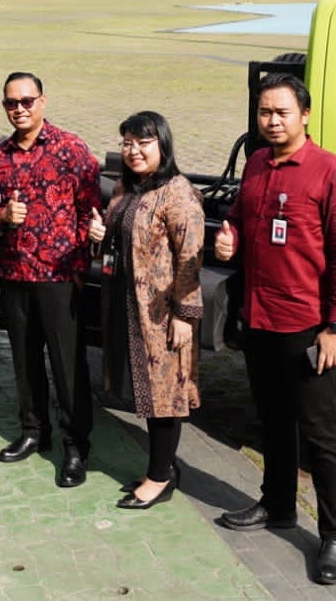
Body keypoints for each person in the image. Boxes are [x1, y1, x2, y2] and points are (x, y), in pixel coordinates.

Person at [213, 73, 336, 587]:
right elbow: (237, 217)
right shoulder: (256, 164)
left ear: (304, 115)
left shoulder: (331, 174)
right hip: (259, 319)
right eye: (264, 113)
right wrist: (229, 238)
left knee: (321, 434)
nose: (272, 121)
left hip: (308, 326)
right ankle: (276, 507)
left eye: (281, 113)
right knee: (272, 420)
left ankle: (335, 536)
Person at [0, 71, 100, 487]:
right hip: (14, 274)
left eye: (27, 101)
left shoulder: (71, 150)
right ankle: (34, 431)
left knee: (67, 366)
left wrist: (82, 268)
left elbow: (89, 212)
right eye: (12, 103)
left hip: (60, 275)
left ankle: (75, 445)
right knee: (25, 361)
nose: (20, 109)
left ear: (43, 101)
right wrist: (1, 216)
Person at [87, 111, 204, 511]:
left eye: (144, 143)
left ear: (163, 145)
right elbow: (118, 241)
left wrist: (185, 316)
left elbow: (191, 259)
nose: (134, 151)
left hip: (162, 315)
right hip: (128, 306)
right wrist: (98, 235)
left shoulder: (178, 193)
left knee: (165, 396)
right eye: (128, 143)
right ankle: (160, 466)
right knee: (147, 393)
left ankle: (160, 477)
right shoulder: (124, 186)